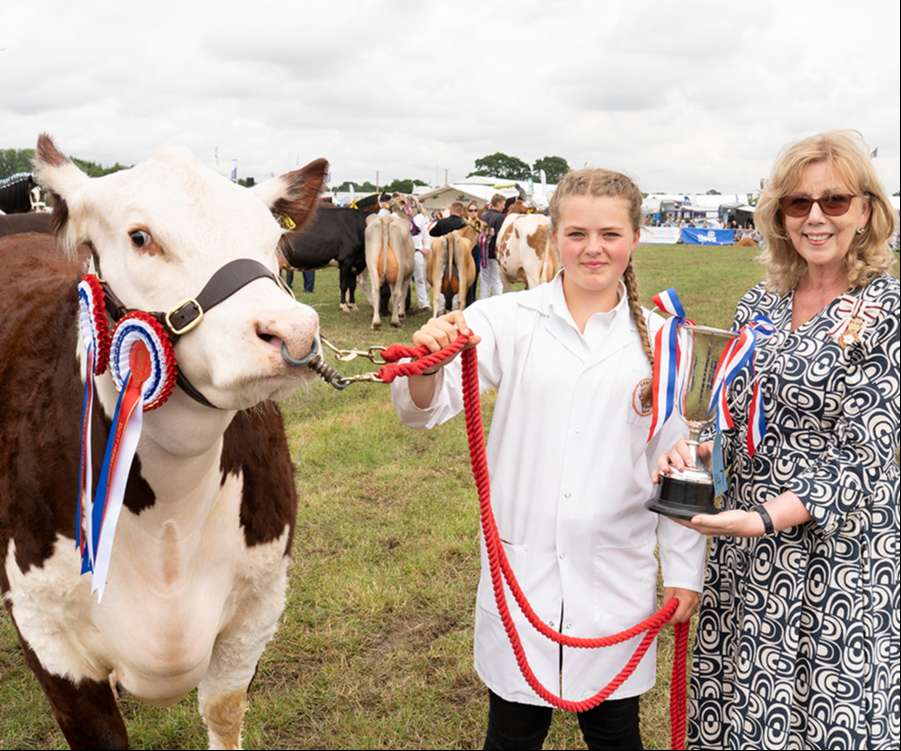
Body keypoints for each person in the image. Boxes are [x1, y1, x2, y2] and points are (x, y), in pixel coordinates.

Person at [394, 168, 706, 750]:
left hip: (614, 575)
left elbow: (676, 460)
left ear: (636, 237)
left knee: (616, 733)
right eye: (577, 233)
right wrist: (430, 362)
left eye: (611, 234)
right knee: (512, 732)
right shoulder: (504, 319)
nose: (593, 248)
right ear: (552, 235)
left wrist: (684, 570)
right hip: (523, 573)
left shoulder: (666, 339)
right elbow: (425, 411)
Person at [654, 131, 900, 750]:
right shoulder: (758, 305)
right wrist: (702, 453)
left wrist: (764, 518)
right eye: (798, 203)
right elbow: (739, 418)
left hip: (833, 565)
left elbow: (869, 461)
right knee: (740, 713)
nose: (816, 217)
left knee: (824, 721)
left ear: (867, 209)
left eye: (835, 201)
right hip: (744, 559)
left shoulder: (887, 308)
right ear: (778, 214)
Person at [479, 194, 507, 300]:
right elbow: (500, 236)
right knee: (496, 279)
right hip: (494, 252)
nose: (504, 206)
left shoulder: (484, 215)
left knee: (484, 278)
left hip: (483, 252)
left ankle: (483, 300)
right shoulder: (500, 217)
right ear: (498, 203)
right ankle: (498, 302)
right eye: (503, 204)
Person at [411, 200, 431, 311]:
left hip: (417, 251)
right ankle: (401, 304)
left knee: (420, 278)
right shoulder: (400, 218)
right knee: (403, 280)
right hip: (403, 252)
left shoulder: (421, 218)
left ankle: (424, 303)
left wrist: (426, 247)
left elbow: (425, 233)